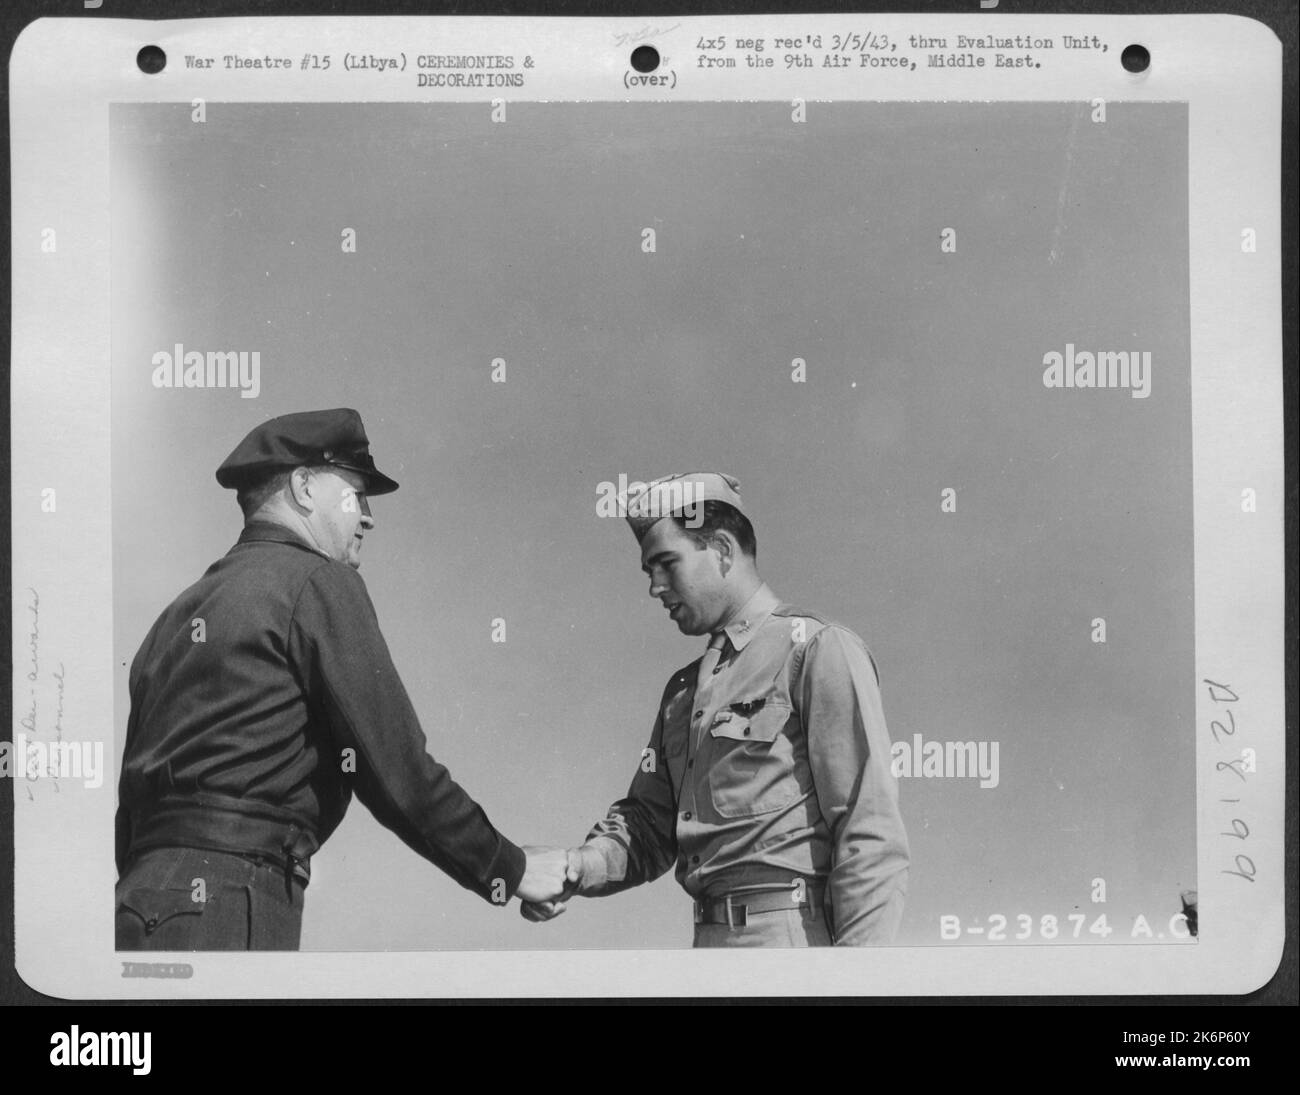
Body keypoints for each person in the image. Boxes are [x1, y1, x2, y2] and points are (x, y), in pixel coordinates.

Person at [115, 408, 572, 950]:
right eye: (357, 493)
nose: (370, 516)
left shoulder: (177, 615)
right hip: (233, 897)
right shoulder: (317, 582)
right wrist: (509, 868)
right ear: (304, 487)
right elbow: (396, 770)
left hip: (140, 903)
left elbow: (131, 802)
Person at [522, 472, 909, 946]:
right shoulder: (682, 692)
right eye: (649, 572)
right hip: (708, 949)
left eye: (667, 564)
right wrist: (575, 866)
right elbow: (649, 825)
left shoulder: (816, 649)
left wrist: (856, 989)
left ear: (723, 549)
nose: (655, 588)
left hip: (794, 947)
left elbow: (868, 831)